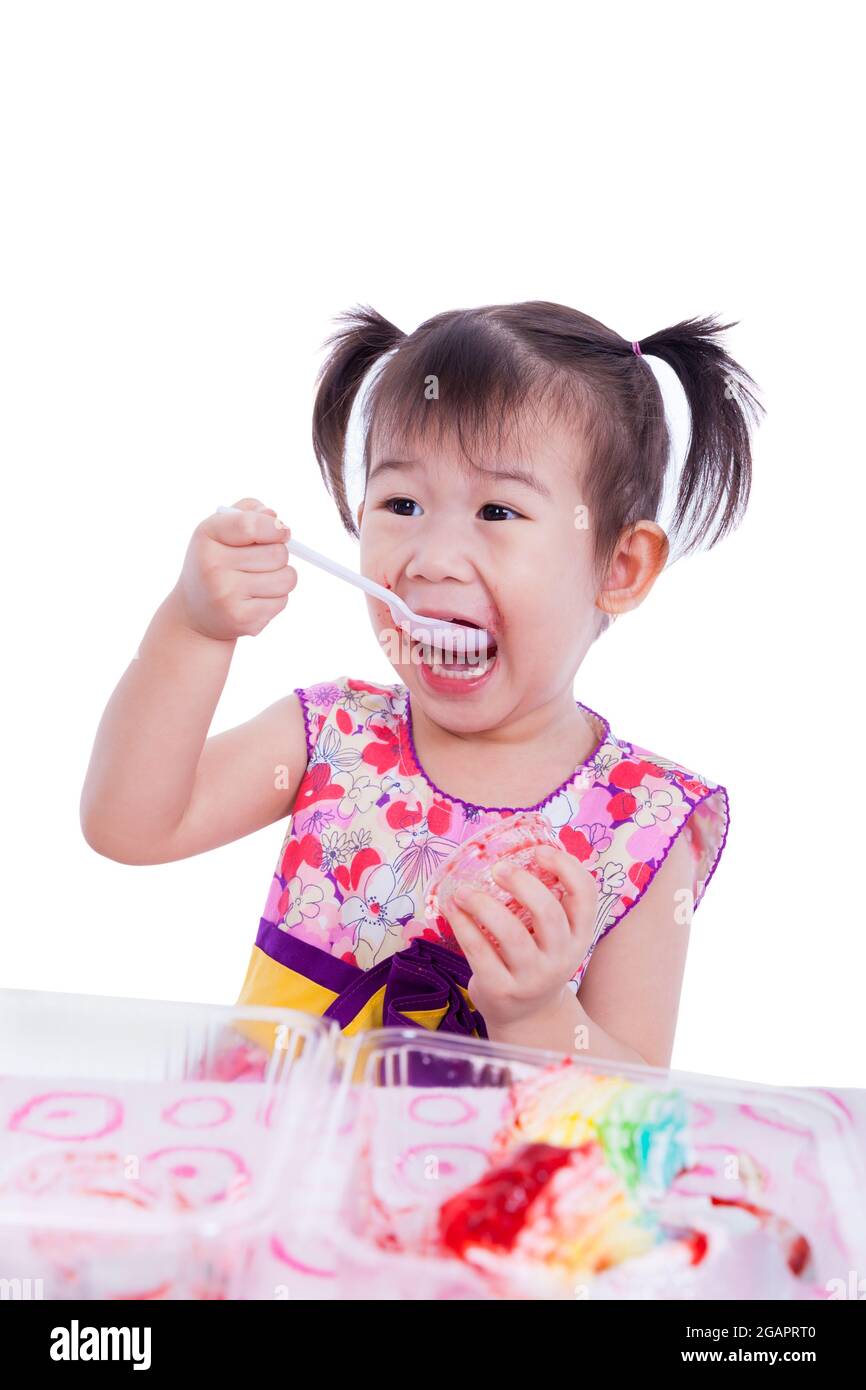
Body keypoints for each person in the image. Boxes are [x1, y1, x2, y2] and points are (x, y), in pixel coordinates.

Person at [80, 301, 762, 1069]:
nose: (433, 557)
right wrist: (195, 630)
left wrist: (536, 1013)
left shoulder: (644, 826)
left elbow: (629, 1108)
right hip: (268, 1165)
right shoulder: (333, 737)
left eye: (498, 510)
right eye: (402, 504)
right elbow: (128, 826)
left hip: (484, 1188)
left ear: (619, 567)